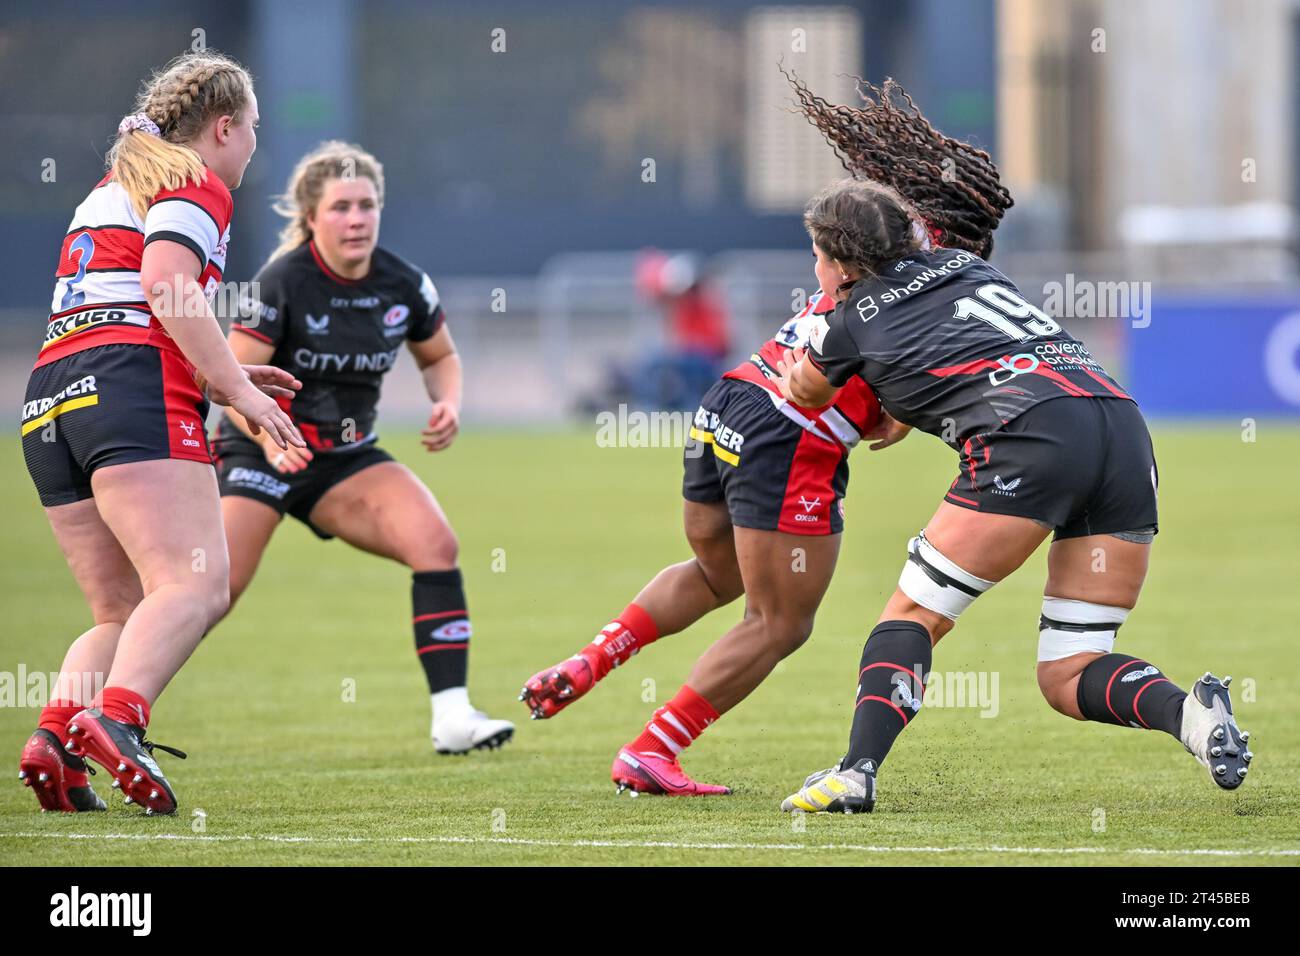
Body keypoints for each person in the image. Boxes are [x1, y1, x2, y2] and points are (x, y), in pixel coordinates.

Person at [774, 78, 1253, 814]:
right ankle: (1193, 717)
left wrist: (803, 352)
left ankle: (855, 773)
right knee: (1070, 668)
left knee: (910, 617)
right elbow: (953, 353)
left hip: (1028, 440)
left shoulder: (849, 319)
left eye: (815, 257)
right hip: (1117, 425)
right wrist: (902, 409)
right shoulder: (970, 268)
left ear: (836, 262)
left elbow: (807, 392)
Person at [18, 51, 303, 815]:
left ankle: (55, 741)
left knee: (121, 609)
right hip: (125, 383)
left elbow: (129, 293)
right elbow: (166, 284)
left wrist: (221, 378)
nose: (252, 147)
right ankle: (119, 720)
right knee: (194, 583)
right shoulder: (192, 177)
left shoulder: (115, 184)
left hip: (49, 396)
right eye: (251, 130)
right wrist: (234, 384)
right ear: (223, 127)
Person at [519, 253, 882, 796]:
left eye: (818, 254)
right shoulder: (913, 287)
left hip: (731, 397)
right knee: (779, 623)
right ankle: (654, 748)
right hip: (789, 434)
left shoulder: (869, 272)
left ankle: (594, 657)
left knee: (718, 572)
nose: (816, 264)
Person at [212, 141, 513, 754]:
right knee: (212, 587)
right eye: (342, 207)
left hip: (345, 459)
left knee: (436, 545)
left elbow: (441, 356)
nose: (357, 219)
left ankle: (453, 717)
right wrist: (270, 440)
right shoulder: (282, 282)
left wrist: (447, 401)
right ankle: (116, 711)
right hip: (258, 448)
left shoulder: (403, 283)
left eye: (368, 205)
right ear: (312, 216)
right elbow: (231, 387)